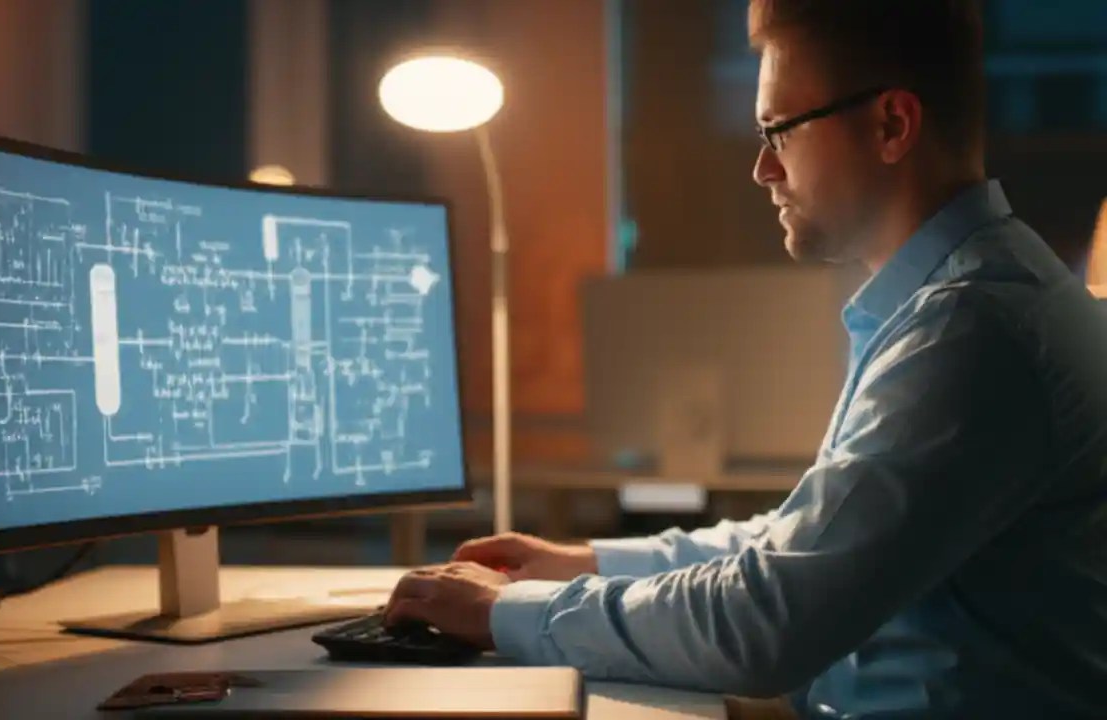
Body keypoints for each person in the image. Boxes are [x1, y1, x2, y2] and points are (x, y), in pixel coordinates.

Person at [382, 1, 1107, 717]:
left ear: (892, 124)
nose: (762, 168)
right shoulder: (956, 304)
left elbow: (766, 620)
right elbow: (801, 545)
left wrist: (506, 615)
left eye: (780, 131)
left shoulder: (972, 333)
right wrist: (587, 563)